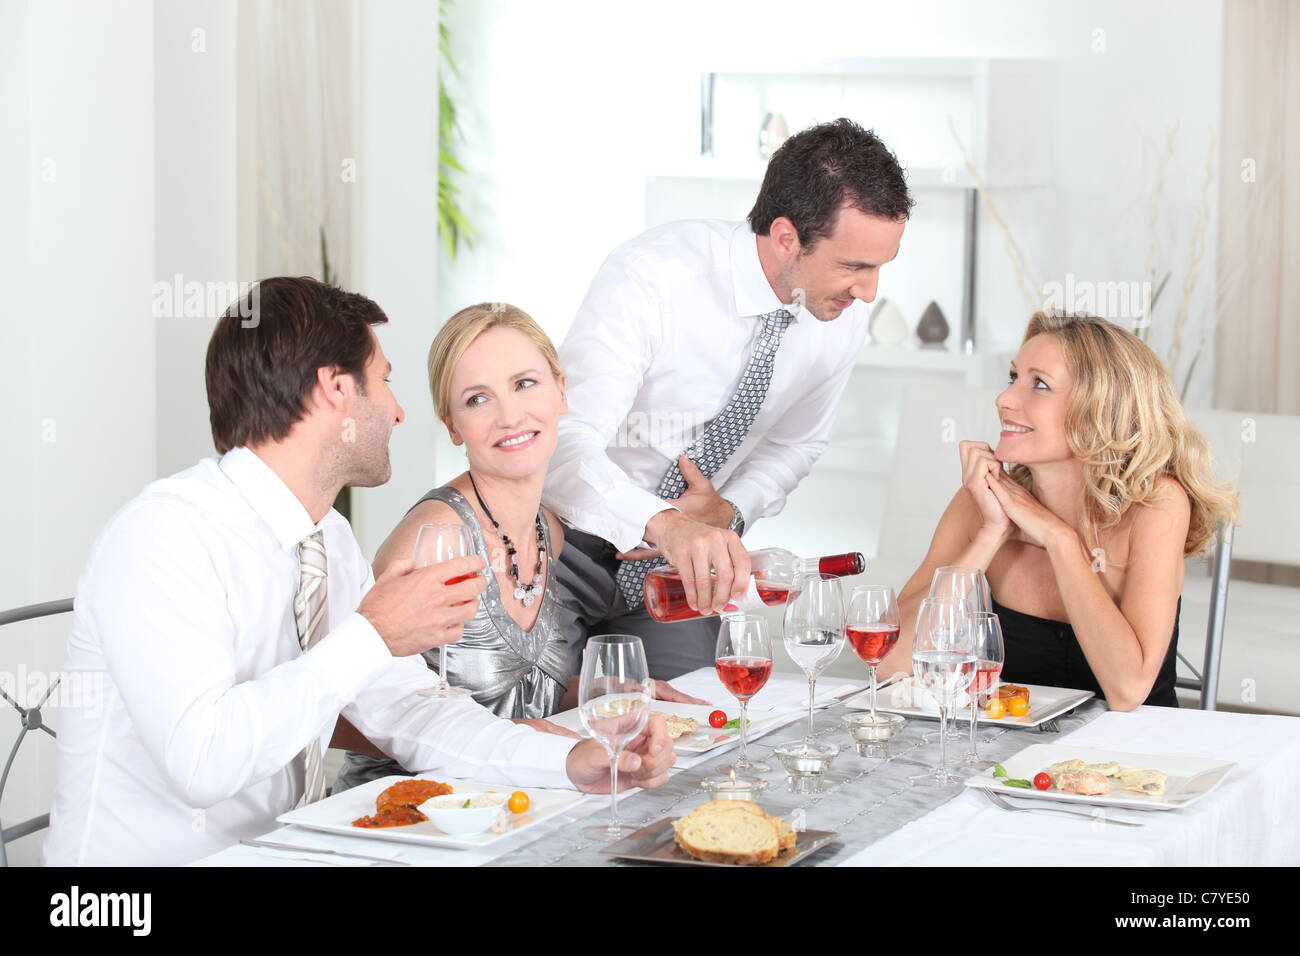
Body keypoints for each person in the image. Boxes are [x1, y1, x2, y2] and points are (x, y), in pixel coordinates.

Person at [42, 278, 673, 866]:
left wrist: (573, 760)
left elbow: (415, 712)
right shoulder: (166, 535)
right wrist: (372, 635)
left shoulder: (327, 540)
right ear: (336, 391)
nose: (398, 411)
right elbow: (203, 762)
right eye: (384, 380)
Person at [544, 118, 913, 679]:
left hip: (681, 574)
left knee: (702, 732)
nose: (869, 292)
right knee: (547, 730)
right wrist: (664, 522)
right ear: (787, 237)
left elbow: (798, 442)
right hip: (567, 549)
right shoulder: (652, 277)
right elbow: (564, 443)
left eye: (881, 268)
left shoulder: (841, 317)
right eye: (854, 266)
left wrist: (730, 512)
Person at [332, 303, 701, 792]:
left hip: (519, 799)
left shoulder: (549, 530)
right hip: (413, 813)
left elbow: (516, 696)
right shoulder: (432, 543)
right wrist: (499, 739)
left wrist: (601, 695)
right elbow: (341, 711)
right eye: (477, 399)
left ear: (562, 391)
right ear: (451, 425)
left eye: (524, 384)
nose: (509, 415)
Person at [884, 311, 1238, 711]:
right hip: (1010, 764)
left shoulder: (1156, 505)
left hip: (1137, 760)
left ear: (1100, 411)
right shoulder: (983, 501)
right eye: (1013, 378)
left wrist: (1059, 539)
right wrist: (989, 535)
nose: (1005, 399)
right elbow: (890, 662)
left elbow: (1126, 691)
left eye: (1039, 384)